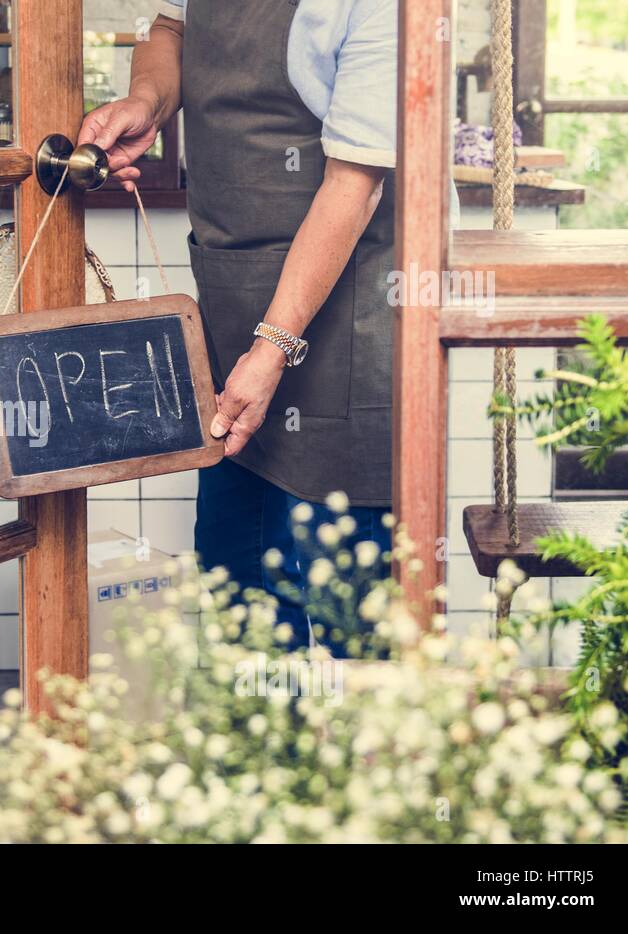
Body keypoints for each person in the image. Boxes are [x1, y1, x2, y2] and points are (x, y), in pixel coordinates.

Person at [80, 0, 406, 649]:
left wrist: (272, 348)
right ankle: (262, 716)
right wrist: (147, 100)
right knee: (239, 583)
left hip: (349, 318)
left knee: (353, 612)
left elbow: (355, 183)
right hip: (236, 312)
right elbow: (168, 26)